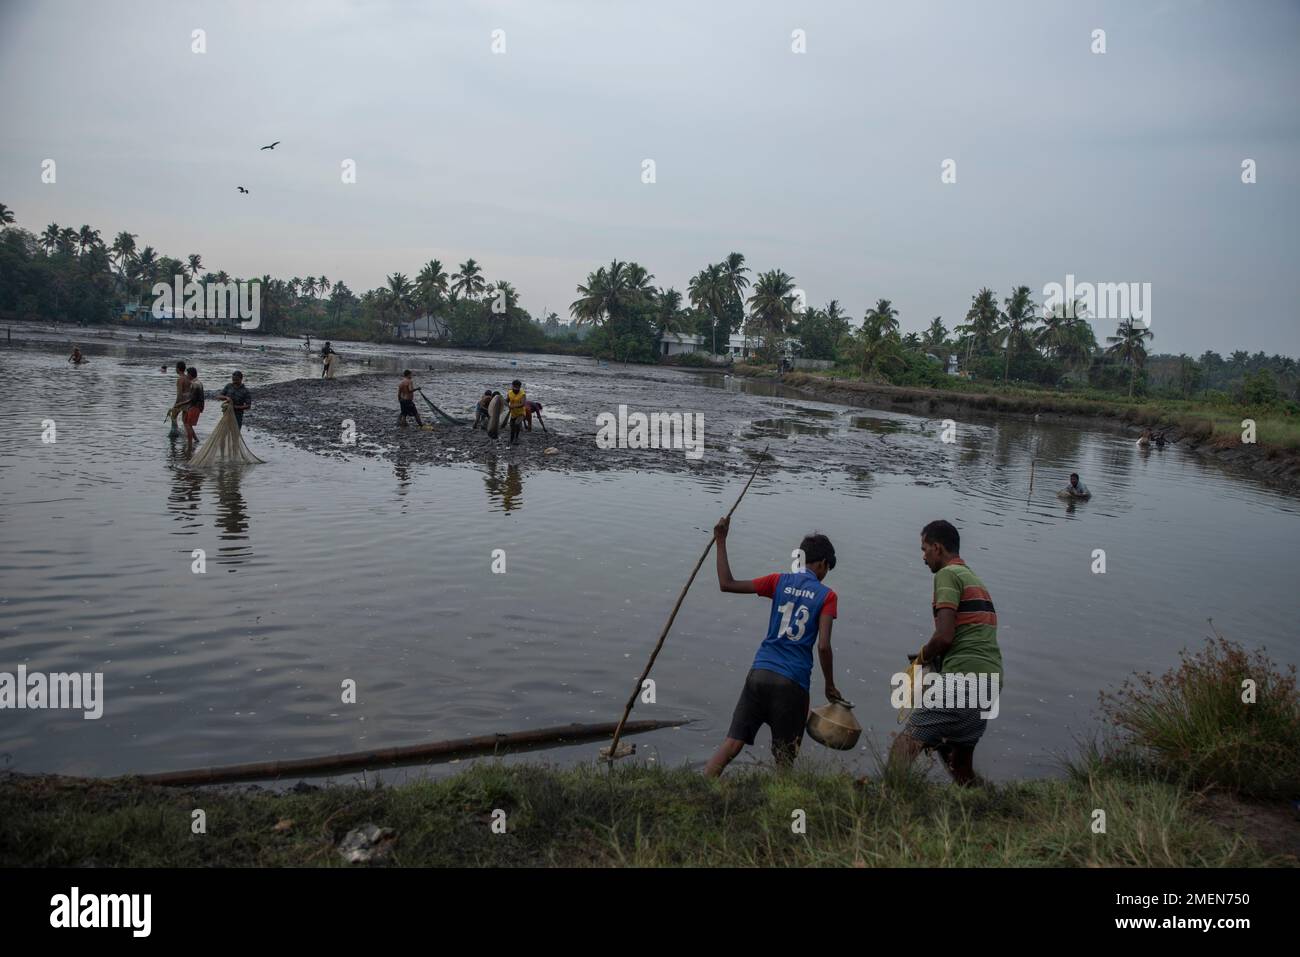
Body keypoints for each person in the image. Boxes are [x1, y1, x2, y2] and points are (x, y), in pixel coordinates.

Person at [704, 517, 839, 777]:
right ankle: (781, 810)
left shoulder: (778, 581)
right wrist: (830, 685)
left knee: (732, 744)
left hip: (760, 673)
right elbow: (823, 646)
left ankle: (699, 790)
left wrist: (721, 541)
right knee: (784, 761)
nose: (824, 575)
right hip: (793, 684)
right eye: (826, 569)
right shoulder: (827, 596)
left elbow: (726, 584)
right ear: (822, 564)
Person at [890, 520, 1002, 787]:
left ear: (938, 548)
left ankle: (888, 802)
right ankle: (988, 806)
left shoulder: (947, 575)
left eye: (925, 549)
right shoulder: (973, 578)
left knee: (906, 743)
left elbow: (944, 637)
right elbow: (965, 635)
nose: (923, 557)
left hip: (963, 679)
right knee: (959, 764)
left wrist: (922, 657)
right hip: (989, 682)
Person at [175, 366, 205, 448]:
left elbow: (192, 400)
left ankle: (190, 445)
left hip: (194, 407)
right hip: (197, 406)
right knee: (189, 424)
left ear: (190, 375)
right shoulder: (198, 382)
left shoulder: (194, 384)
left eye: (188, 374)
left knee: (187, 425)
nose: (186, 375)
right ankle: (196, 440)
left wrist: (179, 404)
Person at [169, 360, 189, 437]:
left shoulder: (180, 379)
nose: (175, 369)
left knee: (173, 416)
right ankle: (186, 435)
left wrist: (176, 405)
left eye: (176, 368)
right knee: (184, 421)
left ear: (178, 369)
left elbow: (179, 394)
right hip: (188, 402)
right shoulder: (188, 378)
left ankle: (174, 433)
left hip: (181, 402)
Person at [506, 380, 526, 445]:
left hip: (521, 413)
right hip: (513, 413)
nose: (516, 389)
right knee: (512, 426)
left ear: (520, 387)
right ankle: (511, 439)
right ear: (512, 386)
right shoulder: (509, 392)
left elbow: (523, 404)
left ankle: (516, 438)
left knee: (517, 424)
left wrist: (513, 406)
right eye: (515, 387)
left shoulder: (522, 394)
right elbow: (507, 401)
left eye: (518, 388)